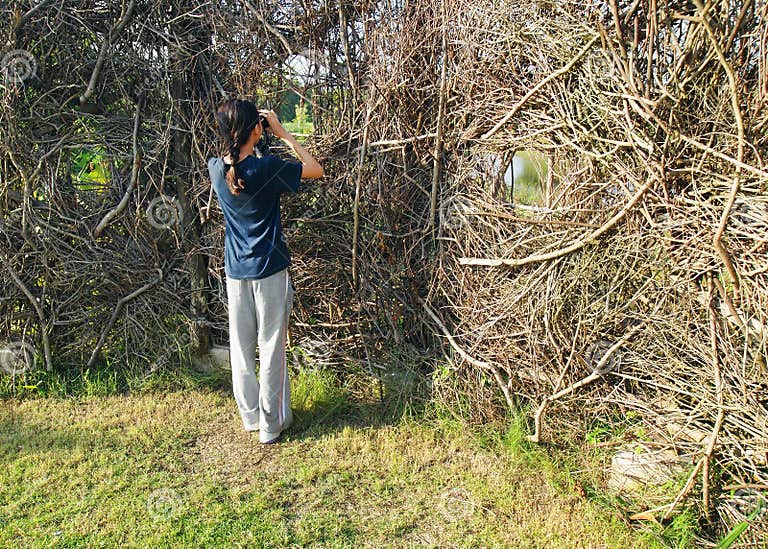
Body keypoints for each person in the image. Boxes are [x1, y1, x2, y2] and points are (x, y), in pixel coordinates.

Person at [207, 98, 323, 444]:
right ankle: (272, 425)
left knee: (241, 348)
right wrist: (284, 133)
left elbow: (234, 164)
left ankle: (251, 417)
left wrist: (255, 136)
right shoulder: (266, 168)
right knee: (271, 346)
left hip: (236, 271)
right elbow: (314, 168)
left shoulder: (215, 167)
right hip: (270, 270)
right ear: (255, 129)